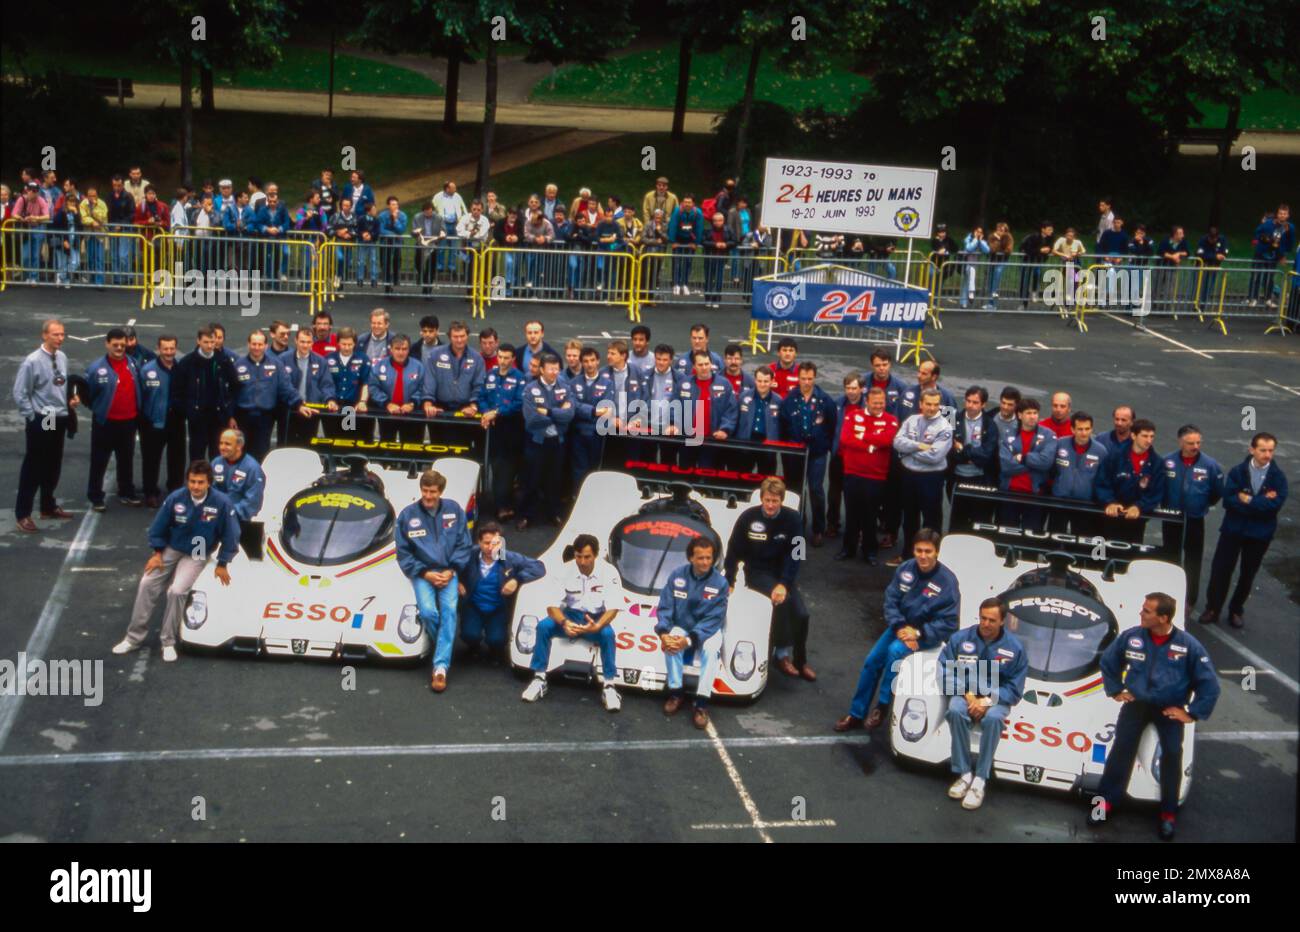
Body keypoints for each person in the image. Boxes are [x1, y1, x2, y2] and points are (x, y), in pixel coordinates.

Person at [1089, 592, 1220, 841]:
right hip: (1136, 705)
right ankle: (1104, 803)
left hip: (1169, 709)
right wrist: (1116, 689)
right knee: (1120, 751)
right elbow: (1109, 661)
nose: (1141, 613)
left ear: (1163, 618)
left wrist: (1192, 713)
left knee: (1171, 755)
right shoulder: (1132, 636)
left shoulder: (1188, 646)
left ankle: (1168, 814)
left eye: (1147, 611)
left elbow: (1210, 685)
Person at [112, 460, 240, 663]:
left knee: (177, 590)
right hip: (173, 546)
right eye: (192, 482)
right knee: (147, 583)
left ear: (209, 483)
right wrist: (156, 553)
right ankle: (133, 638)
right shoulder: (175, 498)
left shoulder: (222, 503)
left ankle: (168, 641)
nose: (195, 487)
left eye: (200, 482)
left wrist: (223, 563)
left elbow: (231, 535)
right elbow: (158, 527)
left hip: (198, 550)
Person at [836, 529, 959, 731]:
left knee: (895, 651)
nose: (923, 556)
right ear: (913, 550)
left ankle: (882, 706)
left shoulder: (948, 582)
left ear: (937, 552)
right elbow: (890, 601)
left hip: (926, 635)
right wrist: (901, 627)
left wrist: (919, 633)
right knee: (871, 662)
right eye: (919, 550)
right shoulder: (905, 569)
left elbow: (949, 622)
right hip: (900, 627)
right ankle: (856, 714)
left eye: (928, 551)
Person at [940, 597, 1027, 810]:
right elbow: (946, 670)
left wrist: (986, 702)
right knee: (954, 710)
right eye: (983, 618)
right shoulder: (961, 639)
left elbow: (1014, 689)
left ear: (1002, 621)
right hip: (966, 694)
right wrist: (968, 695)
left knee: (995, 719)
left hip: (995, 699)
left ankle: (980, 779)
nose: (986, 624)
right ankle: (964, 773)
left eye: (991, 620)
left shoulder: (1015, 649)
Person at [521, 533, 623, 711]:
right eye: (578, 556)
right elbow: (551, 607)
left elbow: (613, 608)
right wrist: (564, 623)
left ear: (595, 555)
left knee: (608, 634)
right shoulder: (563, 570)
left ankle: (609, 685)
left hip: (595, 618)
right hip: (570, 615)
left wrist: (598, 625)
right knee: (543, 626)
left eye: (587, 557)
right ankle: (539, 677)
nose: (582, 562)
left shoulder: (609, 572)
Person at [726, 477, 814, 680]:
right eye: (767, 500)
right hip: (757, 572)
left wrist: (785, 582)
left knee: (802, 615)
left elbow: (797, 554)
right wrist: (730, 580)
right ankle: (780, 654)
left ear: (781, 500)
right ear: (761, 498)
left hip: (783, 574)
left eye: (775, 501)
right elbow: (733, 550)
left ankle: (801, 661)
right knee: (783, 601)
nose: (771, 505)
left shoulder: (794, 519)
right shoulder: (748, 517)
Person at [395, 469, 473, 693]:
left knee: (449, 610)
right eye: (425, 491)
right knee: (428, 612)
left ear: (441, 492)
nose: (428, 496)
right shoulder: (407, 515)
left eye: (433, 492)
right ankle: (444, 644)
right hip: (423, 573)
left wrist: (451, 571)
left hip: (449, 572)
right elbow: (403, 553)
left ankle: (440, 667)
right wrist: (424, 573)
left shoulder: (455, 511)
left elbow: (464, 544)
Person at [1199, 432, 1287, 629]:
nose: (1267, 454)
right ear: (1252, 450)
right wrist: (1262, 502)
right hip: (1233, 530)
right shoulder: (1238, 472)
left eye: (1271, 450)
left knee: (1248, 574)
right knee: (1221, 570)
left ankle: (1236, 610)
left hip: (1259, 534)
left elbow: (1275, 505)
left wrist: (1249, 500)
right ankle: (1212, 608)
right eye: (1263, 450)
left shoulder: (1278, 477)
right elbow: (1229, 500)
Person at [656, 536, 729, 730]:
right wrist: (664, 633)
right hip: (682, 624)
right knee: (670, 644)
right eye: (701, 558)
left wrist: (689, 640)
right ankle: (676, 692)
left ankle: (702, 704)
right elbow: (665, 607)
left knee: (711, 650)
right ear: (690, 558)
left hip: (708, 630)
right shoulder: (676, 576)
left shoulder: (720, 584)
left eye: (709, 558)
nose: (705, 562)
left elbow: (714, 619)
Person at [14, 319, 78, 532]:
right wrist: (32, 417)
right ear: (44, 335)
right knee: (34, 465)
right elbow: (21, 393)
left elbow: (59, 386)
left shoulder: (62, 357)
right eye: (55, 334)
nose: (60, 338)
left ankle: (47, 505)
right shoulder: (32, 361)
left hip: (57, 415)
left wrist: (68, 402)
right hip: (45, 416)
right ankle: (22, 513)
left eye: (62, 334)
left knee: (53, 463)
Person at [460, 522, 545, 660]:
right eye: (486, 543)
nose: (491, 548)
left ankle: (495, 650)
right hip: (473, 605)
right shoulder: (469, 555)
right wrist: (457, 582)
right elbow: (449, 564)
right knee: (469, 634)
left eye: (496, 543)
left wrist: (517, 579)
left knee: (497, 640)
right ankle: (473, 646)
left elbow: (538, 567)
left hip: (498, 607)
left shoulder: (508, 558)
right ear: (478, 542)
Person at [1162, 425, 1223, 618]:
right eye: (1190, 443)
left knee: (1193, 561)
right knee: (1171, 557)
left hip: (1195, 519)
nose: (1195, 446)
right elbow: (1160, 487)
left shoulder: (1210, 465)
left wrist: (1200, 505)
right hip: (1171, 517)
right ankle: (1169, 596)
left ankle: (1189, 599)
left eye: (1198, 442)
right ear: (1180, 442)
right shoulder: (1168, 461)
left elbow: (1216, 492)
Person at [889, 388, 954, 565]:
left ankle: (933, 558)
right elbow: (897, 442)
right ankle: (908, 556)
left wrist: (908, 452)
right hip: (909, 476)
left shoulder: (945, 427)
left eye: (935, 405)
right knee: (909, 517)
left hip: (931, 478)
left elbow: (935, 456)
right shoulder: (911, 420)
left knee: (931, 520)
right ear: (921, 404)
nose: (932, 408)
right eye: (928, 404)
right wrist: (920, 445)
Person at [837, 386, 898, 564]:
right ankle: (848, 548)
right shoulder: (852, 415)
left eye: (882, 403)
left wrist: (862, 435)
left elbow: (887, 440)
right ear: (867, 402)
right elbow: (846, 439)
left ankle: (870, 552)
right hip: (852, 473)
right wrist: (871, 445)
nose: (879, 406)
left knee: (870, 516)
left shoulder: (891, 420)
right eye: (875, 403)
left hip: (876, 477)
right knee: (851, 513)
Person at [84, 328, 143, 511]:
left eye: (122, 345)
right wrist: (99, 409)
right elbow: (87, 394)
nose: (119, 348)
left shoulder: (133, 364)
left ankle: (126, 491)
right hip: (105, 422)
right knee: (99, 460)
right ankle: (95, 496)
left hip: (128, 421)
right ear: (107, 344)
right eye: (115, 345)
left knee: (126, 459)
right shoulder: (96, 368)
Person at [779, 362, 836, 544]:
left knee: (816, 490)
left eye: (810, 378)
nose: (806, 382)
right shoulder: (788, 400)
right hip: (795, 454)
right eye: (803, 378)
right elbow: (783, 426)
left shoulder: (826, 400)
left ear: (815, 377)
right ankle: (796, 526)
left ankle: (818, 529)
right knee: (795, 490)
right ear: (798, 377)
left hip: (817, 454)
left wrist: (824, 445)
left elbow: (831, 426)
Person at [233, 330, 309, 461]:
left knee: (261, 455)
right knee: (240, 453)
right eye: (254, 344)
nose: (257, 347)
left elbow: (286, 388)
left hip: (265, 419)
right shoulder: (238, 365)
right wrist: (230, 416)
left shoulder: (276, 364)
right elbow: (231, 393)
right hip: (243, 418)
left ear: (265, 346)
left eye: (260, 344)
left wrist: (299, 404)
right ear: (248, 344)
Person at [519, 354, 575, 530]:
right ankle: (526, 516)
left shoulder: (565, 388)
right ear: (541, 370)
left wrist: (548, 412)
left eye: (557, 368)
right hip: (536, 442)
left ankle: (554, 514)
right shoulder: (530, 389)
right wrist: (558, 413)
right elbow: (531, 419)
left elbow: (569, 416)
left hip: (557, 442)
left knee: (555, 480)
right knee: (531, 481)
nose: (554, 372)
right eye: (550, 368)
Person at [1095, 418, 1164, 543]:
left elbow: (1156, 493)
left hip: (1136, 520)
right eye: (1144, 436)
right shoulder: (1114, 457)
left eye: (1151, 436)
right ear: (1133, 435)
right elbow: (1102, 482)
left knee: (1131, 556)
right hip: (1111, 516)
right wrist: (1110, 502)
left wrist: (1139, 507)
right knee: (1105, 554)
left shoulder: (1157, 463)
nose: (1149, 440)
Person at [176, 326, 239, 461]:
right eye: (206, 342)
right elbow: (179, 391)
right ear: (198, 341)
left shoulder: (223, 361)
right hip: (197, 420)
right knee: (196, 456)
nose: (210, 345)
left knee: (217, 456)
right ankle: (197, 481)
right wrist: (189, 412)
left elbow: (234, 387)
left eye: (212, 342)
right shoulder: (187, 363)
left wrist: (229, 412)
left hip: (218, 417)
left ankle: (216, 482)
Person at [138, 335, 186, 507]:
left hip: (176, 421)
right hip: (153, 422)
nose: (168, 352)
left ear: (176, 348)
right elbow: (140, 396)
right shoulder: (147, 370)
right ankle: (150, 492)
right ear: (158, 349)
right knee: (151, 459)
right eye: (165, 349)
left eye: (172, 348)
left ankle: (175, 490)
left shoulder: (181, 369)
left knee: (177, 459)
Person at [480, 343, 525, 520]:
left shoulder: (520, 377)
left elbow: (518, 403)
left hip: (512, 428)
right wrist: (486, 413)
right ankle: (497, 504)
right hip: (493, 428)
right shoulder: (490, 375)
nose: (503, 361)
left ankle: (504, 505)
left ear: (513, 359)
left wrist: (496, 412)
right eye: (500, 357)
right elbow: (482, 396)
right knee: (495, 467)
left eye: (507, 358)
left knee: (508, 468)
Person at [997, 397, 1056, 529]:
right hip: (1010, 493)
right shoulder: (1008, 434)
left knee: (1030, 538)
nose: (1032, 417)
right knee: (1007, 534)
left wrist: (1022, 458)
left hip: (1035, 495)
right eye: (1028, 413)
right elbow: (1006, 466)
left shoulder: (1048, 435)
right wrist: (1033, 465)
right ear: (1019, 415)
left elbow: (1046, 462)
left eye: (1035, 413)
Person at [947, 385, 999, 531]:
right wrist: (970, 455)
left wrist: (962, 449)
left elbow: (986, 456)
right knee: (957, 520)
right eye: (968, 401)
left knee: (978, 522)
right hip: (956, 478)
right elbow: (948, 451)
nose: (970, 405)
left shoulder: (990, 425)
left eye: (975, 402)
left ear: (983, 404)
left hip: (980, 479)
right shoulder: (952, 418)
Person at [1049, 411, 1109, 533]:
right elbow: (1050, 470)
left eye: (1087, 429)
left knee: (1081, 543)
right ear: (1072, 429)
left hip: (1085, 505)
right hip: (1059, 502)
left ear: (1092, 429)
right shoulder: (1060, 444)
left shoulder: (1101, 451)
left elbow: (1103, 479)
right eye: (1080, 429)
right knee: (1054, 539)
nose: (1084, 433)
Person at [676, 349, 738, 468]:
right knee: (686, 475)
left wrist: (725, 429)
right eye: (700, 364)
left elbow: (731, 410)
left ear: (711, 364)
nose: (704, 367)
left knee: (709, 477)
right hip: (688, 439)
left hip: (712, 440)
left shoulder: (724, 384)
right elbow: (675, 406)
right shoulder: (683, 384)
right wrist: (674, 424)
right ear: (694, 366)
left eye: (706, 364)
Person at [210, 428, 265, 555]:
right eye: (221, 443)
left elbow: (252, 504)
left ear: (239, 445)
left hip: (239, 520)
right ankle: (197, 559)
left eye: (227, 444)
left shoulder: (252, 468)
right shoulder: (216, 463)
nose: (222, 447)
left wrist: (227, 514)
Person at [366, 334, 425, 444]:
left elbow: (423, 387)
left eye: (404, 349)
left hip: (411, 415)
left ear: (409, 350)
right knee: (386, 447)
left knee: (411, 447)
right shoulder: (379, 366)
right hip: (387, 414)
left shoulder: (418, 366)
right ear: (391, 349)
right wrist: (387, 403)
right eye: (397, 349)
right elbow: (373, 387)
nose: (401, 352)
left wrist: (412, 403)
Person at [283, 329, 337, 445]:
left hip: (311, 410)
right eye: (302, 342)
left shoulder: (321, 361)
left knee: (308, 445)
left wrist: (330, 399)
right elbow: (284, 386)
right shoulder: (283, 360)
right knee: (287, 444)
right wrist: (297, 403)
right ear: (296, 341)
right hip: (290, 409)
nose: (305, 345)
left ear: (312, 343)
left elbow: (326, 384)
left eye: (308, 342)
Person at [421, 321, 485, 417]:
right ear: (449, 337)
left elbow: (479, 385)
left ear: (467, 336)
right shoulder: (435, 354)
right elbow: (429, 381)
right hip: (440, 409)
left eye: (462, 336)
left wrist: (473, 406)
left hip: (466, 410)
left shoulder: (477, 358)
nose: (459, 340)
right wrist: (428, 403)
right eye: (455, 336)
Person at [323, 328, 371, 439]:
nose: (346, 347)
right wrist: (330, 400)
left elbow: (365, 383)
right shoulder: (328, 359)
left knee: (347, 438)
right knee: (331, 438)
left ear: (355, 343)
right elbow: (325, 383)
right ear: (338, 343)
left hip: (351, 407)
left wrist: (363, 401)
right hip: (333, 405)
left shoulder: (363, 359)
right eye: (343, 344)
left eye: (350, 344)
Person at [1019, 221, 1054, 307]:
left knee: (1037, 273)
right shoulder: (1033, 237)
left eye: (1051, 230)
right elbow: (1026, 249)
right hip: (1027, 261)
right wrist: (1040, 250)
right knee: (1025, 281)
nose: (1051, 231)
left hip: (1038, 261)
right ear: (1043, 229)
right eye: (1049, 229)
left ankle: (1034, 291)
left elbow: (1050, 248)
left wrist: (1048, 250)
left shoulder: (1050, 238)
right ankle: (1023, 301)